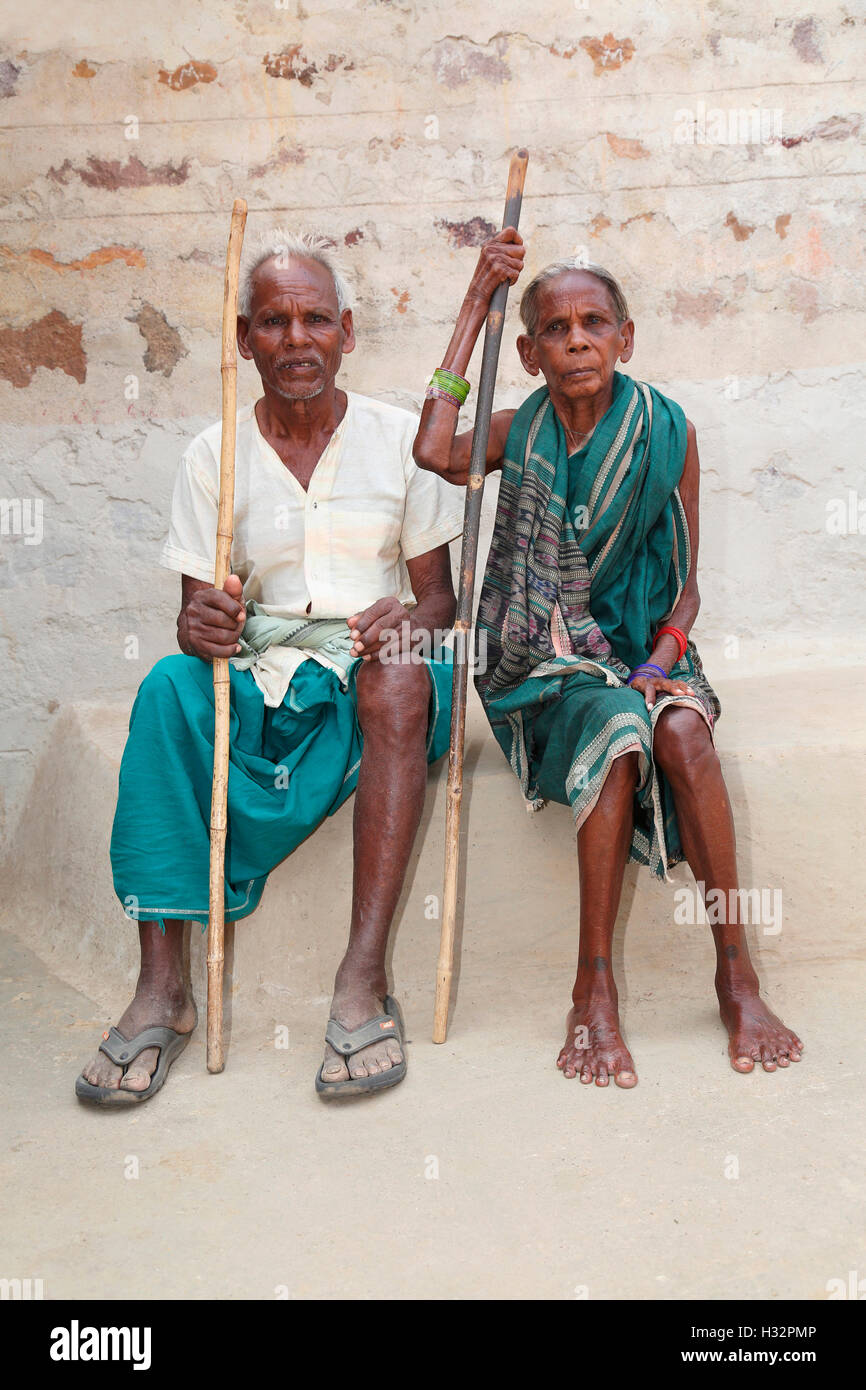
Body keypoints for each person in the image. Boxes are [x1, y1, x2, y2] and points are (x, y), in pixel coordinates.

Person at [76, 230, 464, 1103]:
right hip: (261, 676)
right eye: (275, 322)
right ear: (245, 338)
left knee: (404, 672)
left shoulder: (400, 441)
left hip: (369, 670)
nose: (297, 339)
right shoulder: (211, 456)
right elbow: (195, 622)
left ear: (346, 332)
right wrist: (204, 626)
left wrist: (406, 619)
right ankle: (162, 990)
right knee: (166, 688)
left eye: (316, 319)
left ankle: (363, 979)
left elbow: (439, 602)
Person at [413, 229, 803, 1087]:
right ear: (529, 354)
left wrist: (661, 665)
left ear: (626, 338)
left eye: (595, 324)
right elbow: (435, 451)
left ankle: (737, 976)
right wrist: (474, 304)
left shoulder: (667, 430)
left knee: (684, 734)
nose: (578, 341)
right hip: (544, 665)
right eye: (556, 329)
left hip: (648, 654)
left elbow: (686, 592)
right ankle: (592, 991)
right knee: (621, 725)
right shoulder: (519, 431)